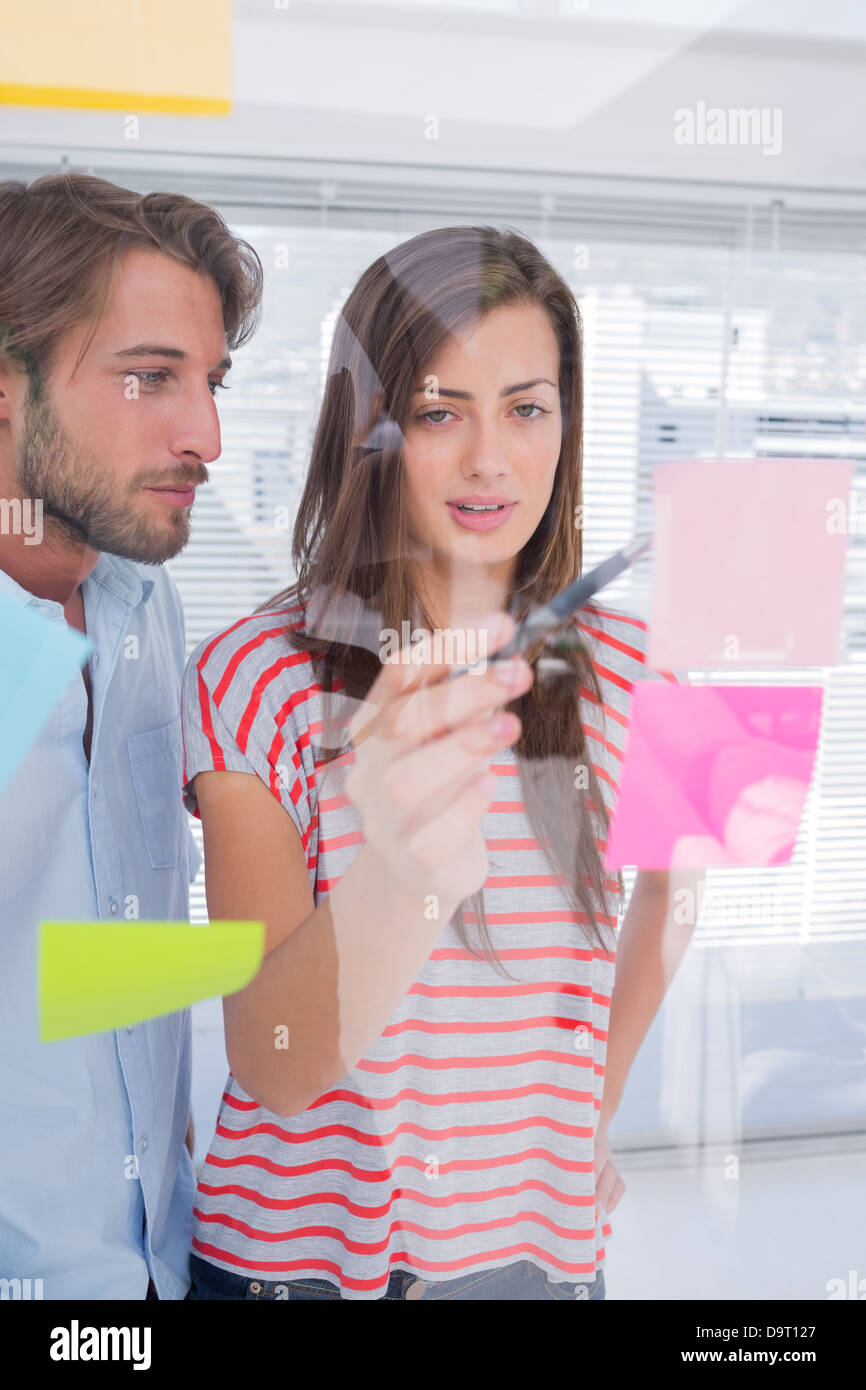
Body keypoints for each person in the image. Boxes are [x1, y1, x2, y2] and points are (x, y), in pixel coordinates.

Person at [181, 224, 697, 1301]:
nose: (487, 461)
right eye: (435, 411)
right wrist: (408, 880)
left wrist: (584, 1118)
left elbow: (678, 898)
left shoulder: (645, 666)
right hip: (299, 1266)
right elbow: (275, 1060)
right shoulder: (253, 675)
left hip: (538, 1259)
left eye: (524, 407)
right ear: (367, 430)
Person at [0, 171, 262, 1299]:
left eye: (210, 381)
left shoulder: (146, 610)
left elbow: (93, 953)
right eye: (148, 376)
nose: (202, 433)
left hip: (164, 1262)